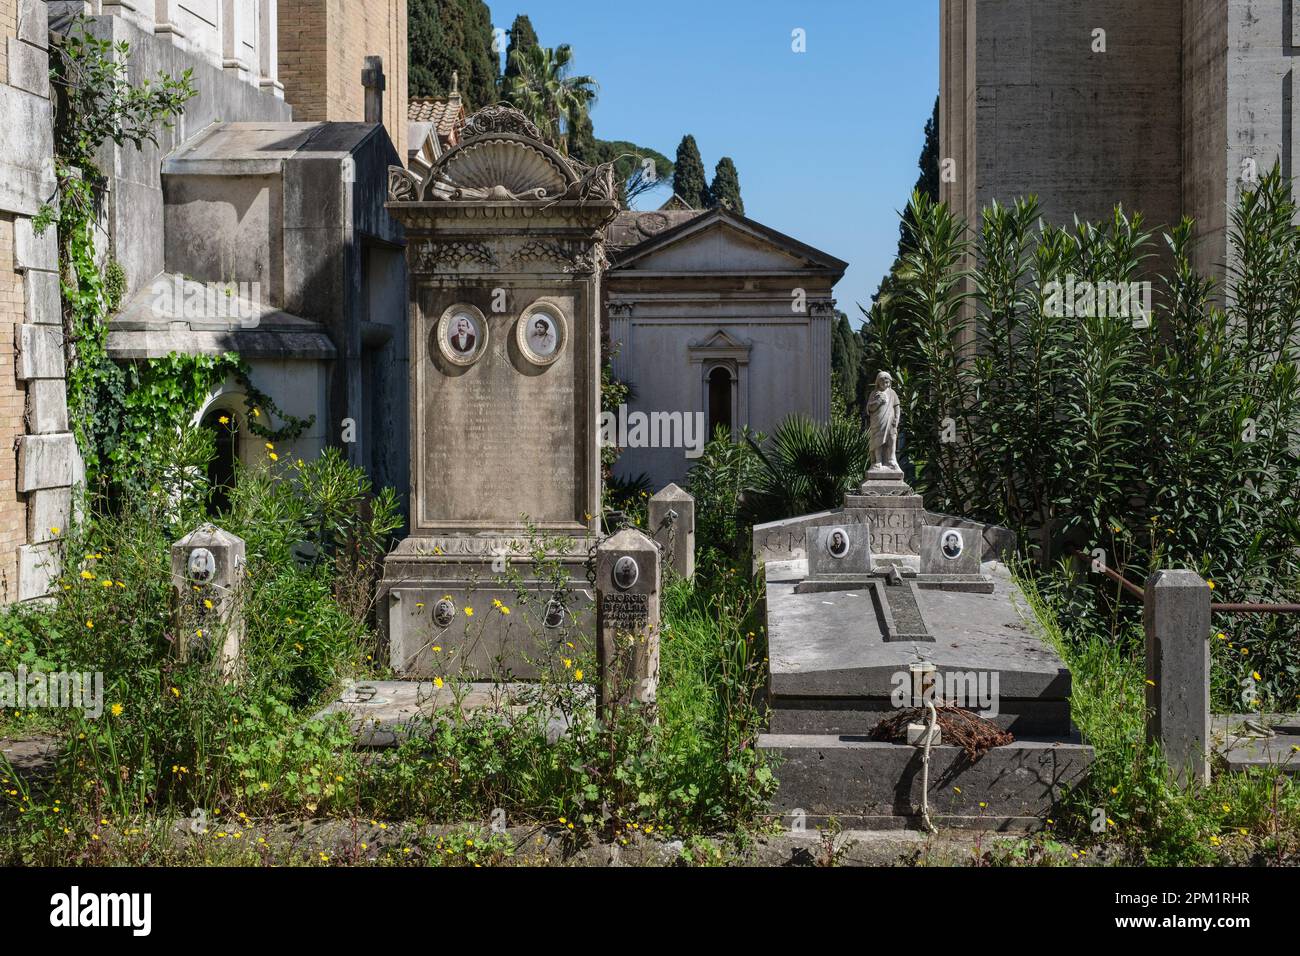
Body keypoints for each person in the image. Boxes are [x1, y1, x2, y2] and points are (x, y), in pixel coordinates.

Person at [866, 371, 901, 471]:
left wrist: (897, 419)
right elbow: (869, 408)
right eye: (882, 381)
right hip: (878, 422)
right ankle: (878, 460)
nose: (885, 383)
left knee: (892, 440)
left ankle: (891, 459)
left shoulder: (892, 393)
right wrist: (878, 401)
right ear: (878, 382)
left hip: (890, 422)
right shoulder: (874, 393)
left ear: (889, 382)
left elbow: (897, 407)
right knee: (878, 440)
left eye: (887, 381)